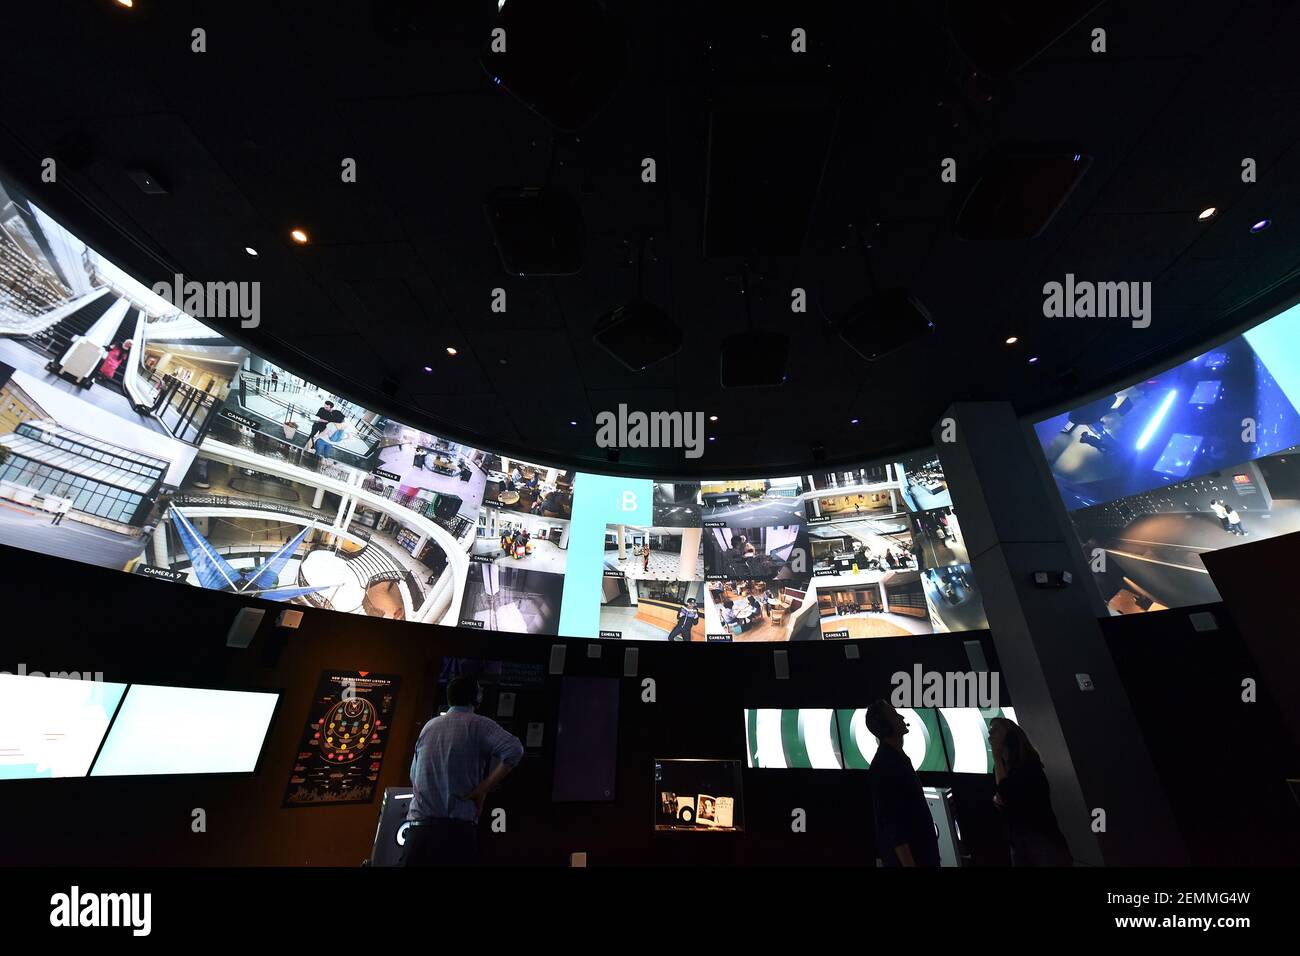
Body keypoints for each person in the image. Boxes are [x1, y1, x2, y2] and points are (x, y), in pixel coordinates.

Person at [403, 676, 524, 867]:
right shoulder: (479, 724)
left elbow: (413, 775)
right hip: (456, 833)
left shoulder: (429, 726)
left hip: (419, 833)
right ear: (475, 697)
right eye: (479, 691)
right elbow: (514, 749)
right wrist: (483, 788)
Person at [864, 700, 941, 868]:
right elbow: (893, 824)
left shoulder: (897, 759)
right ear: (885, 725)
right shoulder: (883, 766)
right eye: (894, 714)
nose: (901, 717)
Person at [989, 717, 1072, 866]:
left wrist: (996, 756)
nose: (990, 733)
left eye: (995, 729)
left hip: (1042, 840)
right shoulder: (1000, 767)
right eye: (990, 730)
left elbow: (1007, 795)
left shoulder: (1027, 765)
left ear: (1010, 734)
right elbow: (1003, 796)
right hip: (1018, 841)